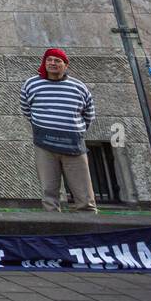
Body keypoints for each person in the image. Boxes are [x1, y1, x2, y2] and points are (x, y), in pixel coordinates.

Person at [20, 47, 97, 213]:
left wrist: (74, 130)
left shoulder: (79, 87)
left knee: (83, 193)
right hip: (44, 144)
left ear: (65, 65)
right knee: (49, 191)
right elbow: (27, 110)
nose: (52, 63)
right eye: (49, 60)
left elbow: (89, 114)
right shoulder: (31, 84)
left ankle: (89, 226)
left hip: (73, 145)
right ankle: (53, 224)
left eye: (57, 60)